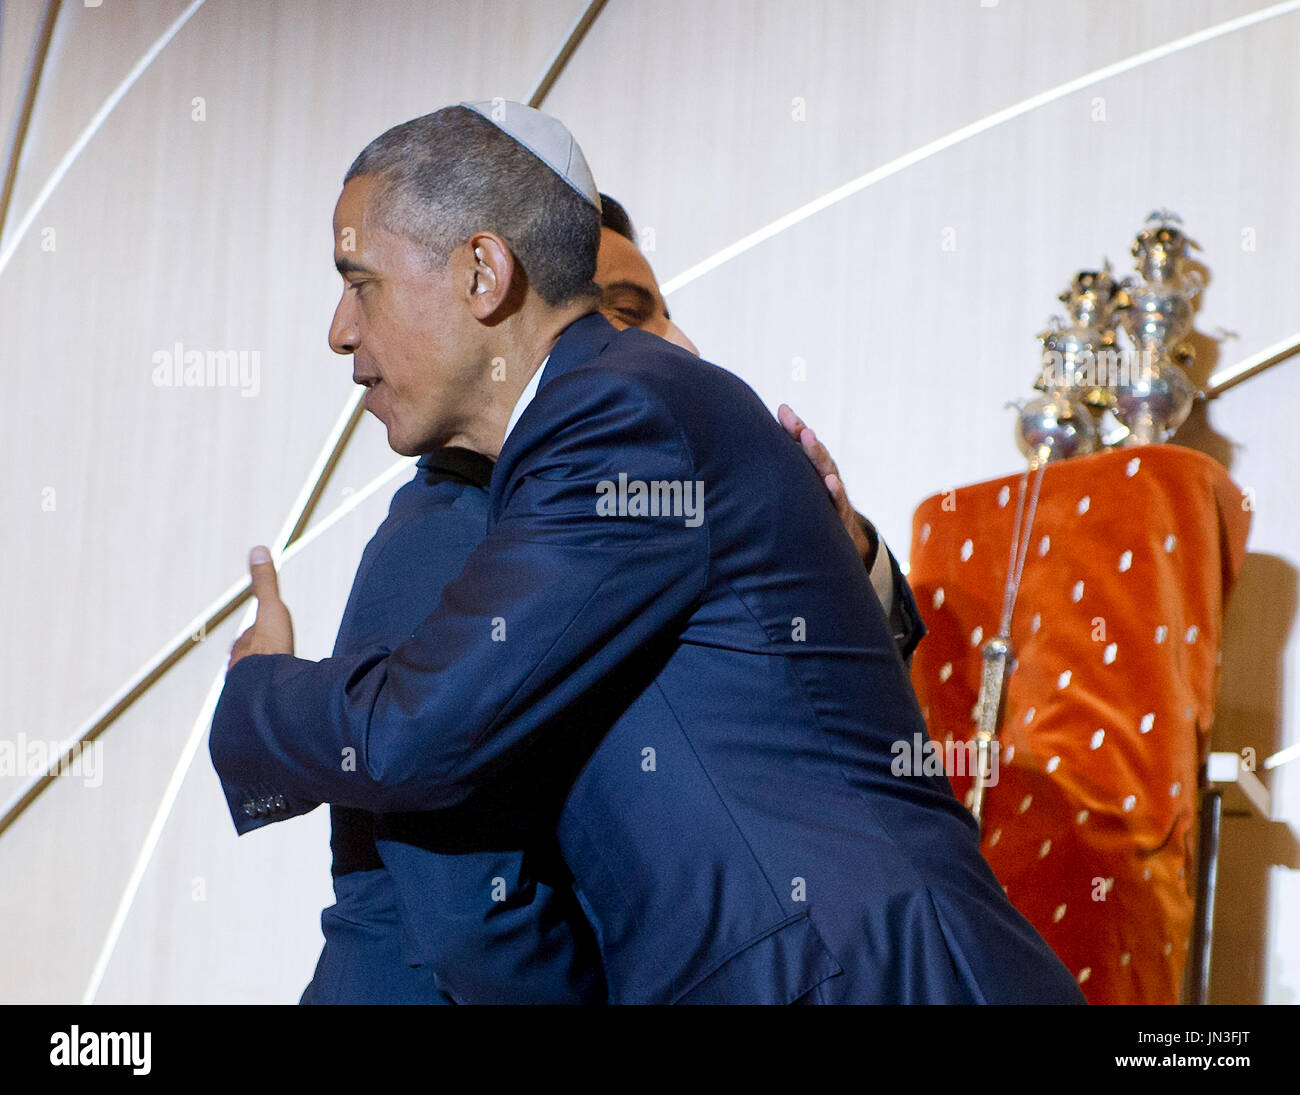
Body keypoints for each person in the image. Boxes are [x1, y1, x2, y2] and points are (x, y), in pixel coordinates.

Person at [211, 101, 1085, 1003]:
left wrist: (257, 691)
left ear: (482, 271)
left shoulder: (613, 413)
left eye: (363, 283)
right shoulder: (570, 444)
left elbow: (419, 731)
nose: (340, 329)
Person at [299, 191, 923, 1004]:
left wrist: (845, 558)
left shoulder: (637, 509)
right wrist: (259, 703)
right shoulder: (451, 527)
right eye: (626, 313)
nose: (681, 344)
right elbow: (467, 906)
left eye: (661, 311)